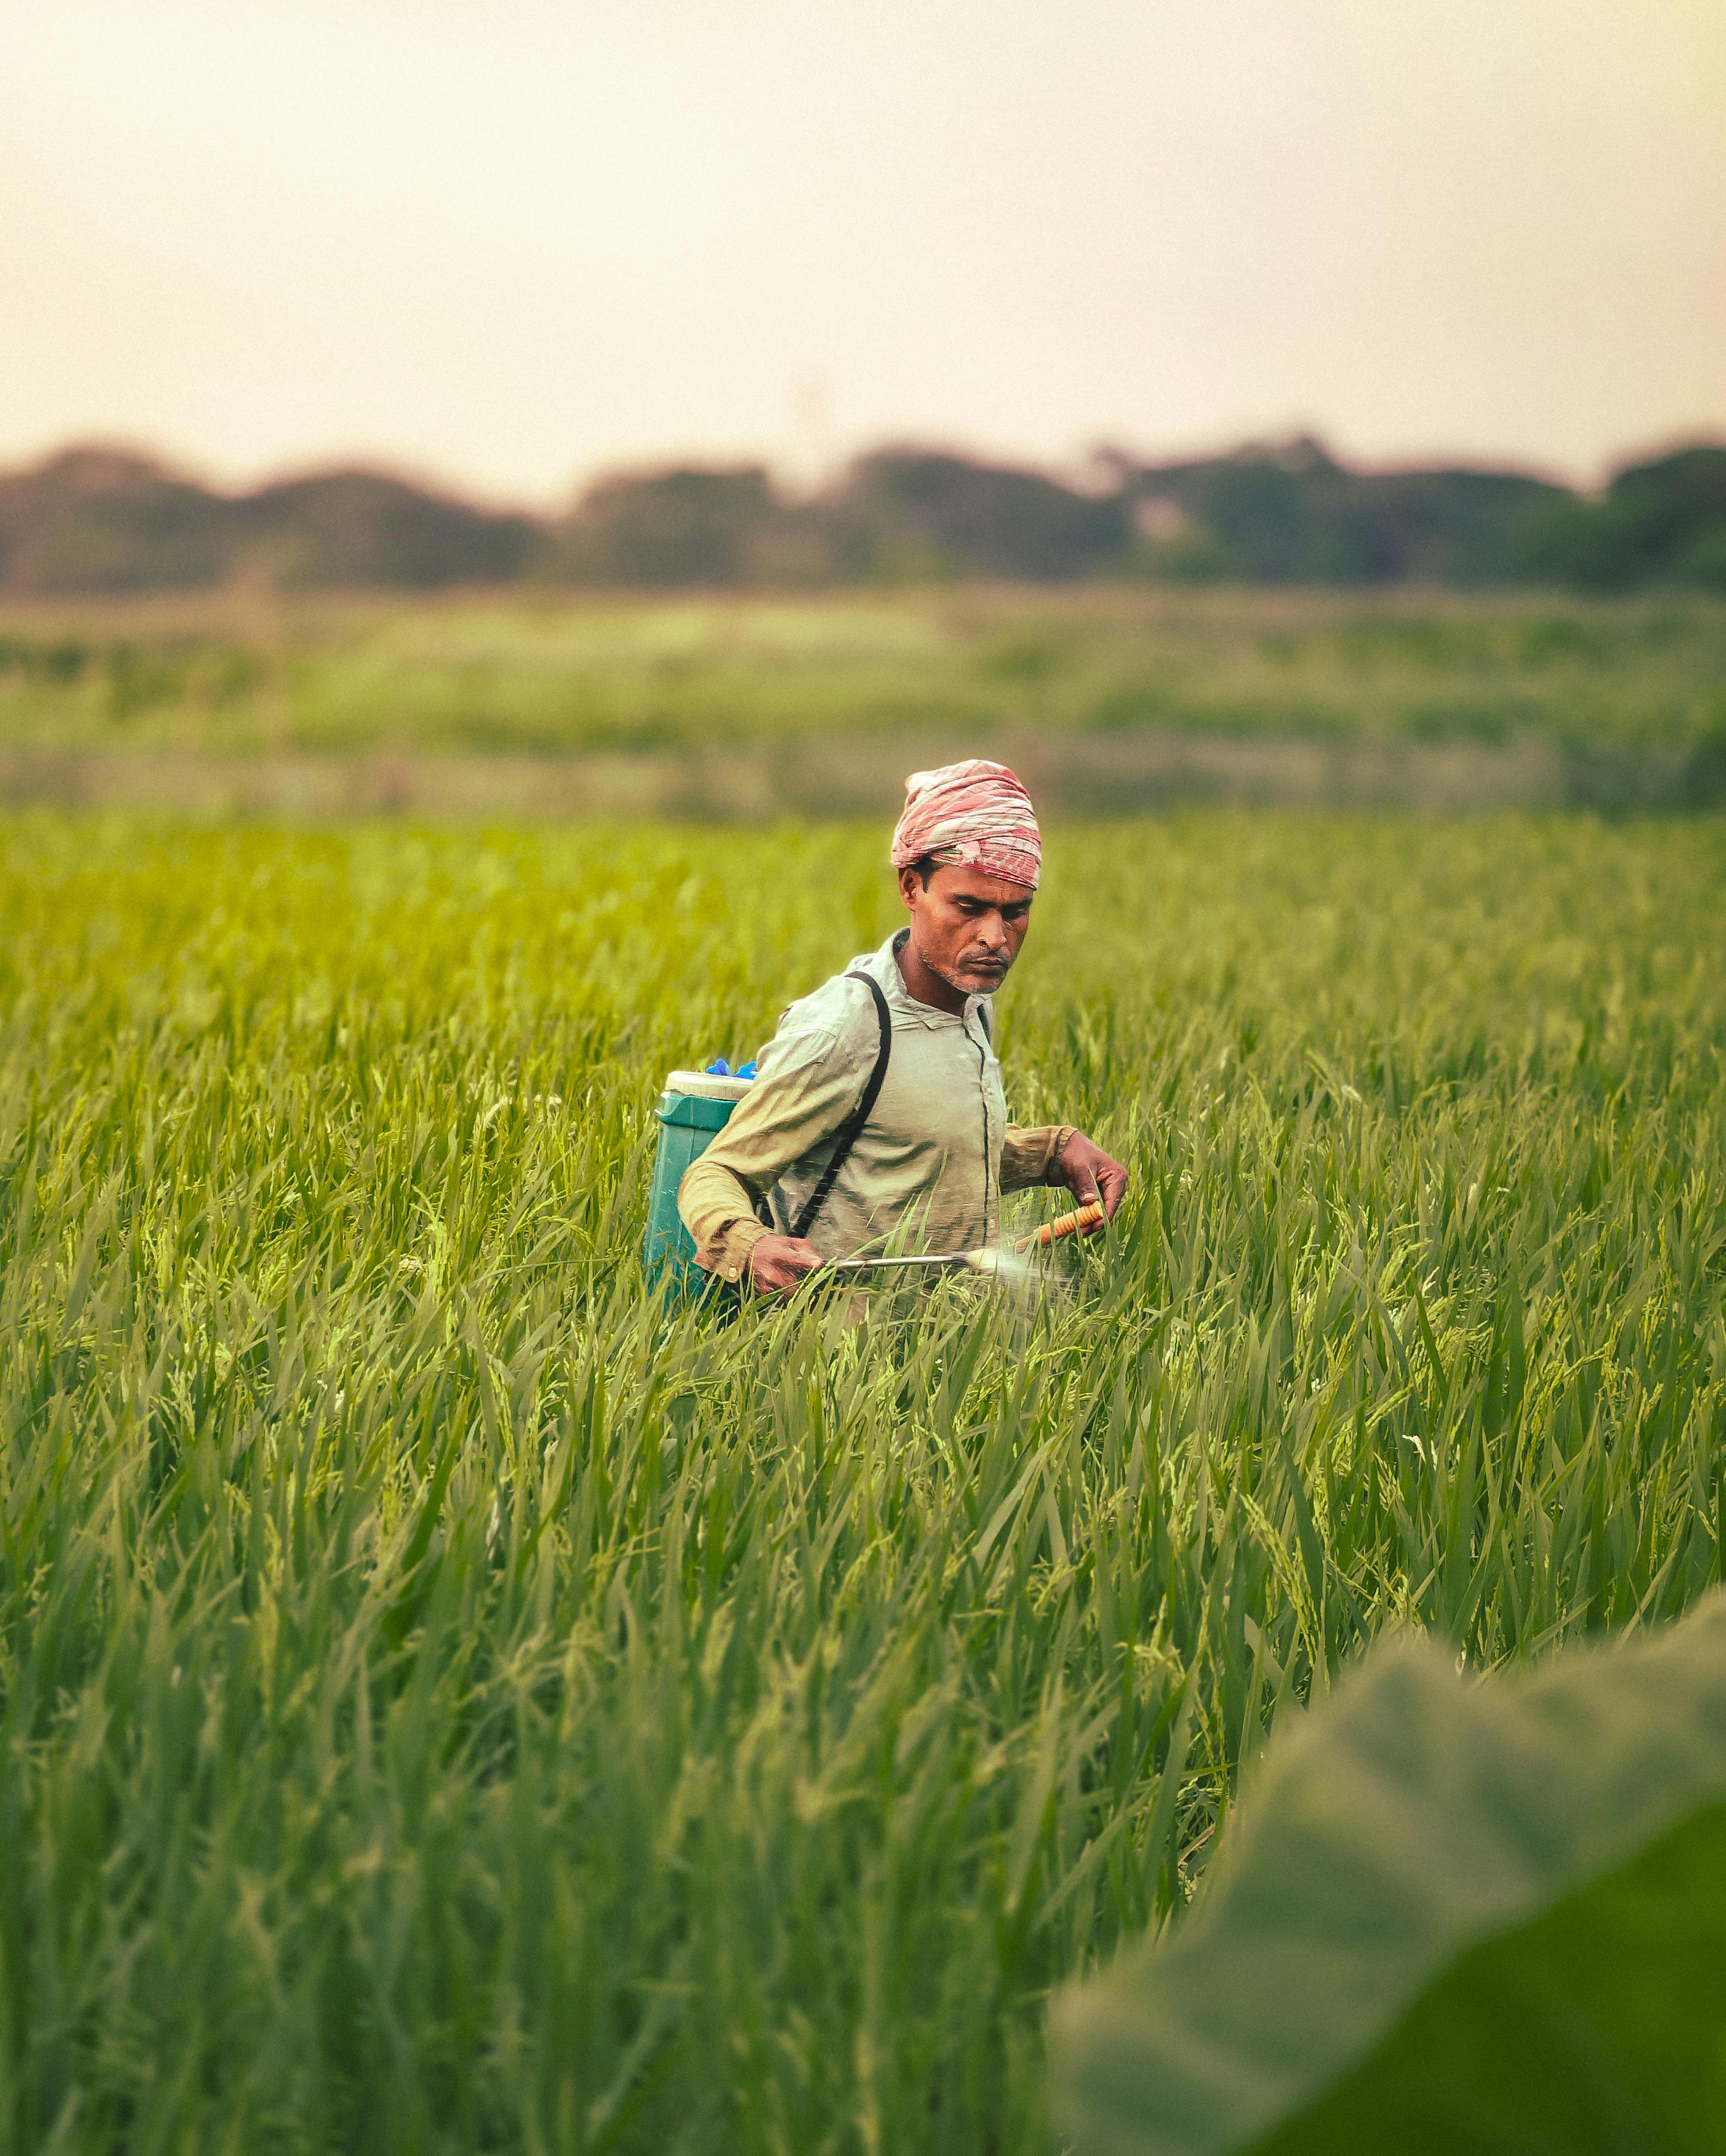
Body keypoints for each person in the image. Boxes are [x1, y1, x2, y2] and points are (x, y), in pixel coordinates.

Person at [678, 758, 1128, 1296]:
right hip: (836, 1352)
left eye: (1015, 912)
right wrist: (748, 1244)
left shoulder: (972, 1002)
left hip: (940, 1347)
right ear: (912, 886)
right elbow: (716, 1172)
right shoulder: (847, 1027)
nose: (995, 936)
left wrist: (1052, 1151)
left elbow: (917, 1144)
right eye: (970, 906)